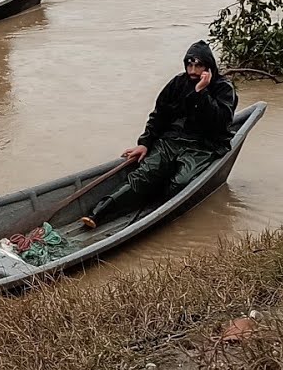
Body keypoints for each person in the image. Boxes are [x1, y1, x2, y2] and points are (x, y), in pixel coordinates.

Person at [81, 41, 238, 229]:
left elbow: (220, 122)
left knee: (180, 183)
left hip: (203, 145)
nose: (193, 71)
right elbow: (159, 115)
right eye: (190, 65)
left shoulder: (223, 88)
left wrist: (201, 93)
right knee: (142, 175)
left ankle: (160, 210)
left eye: (199, 66)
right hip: (170, 140)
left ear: (209, 67)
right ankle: (99, 212)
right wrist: (145, 143)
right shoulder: (177, 83)